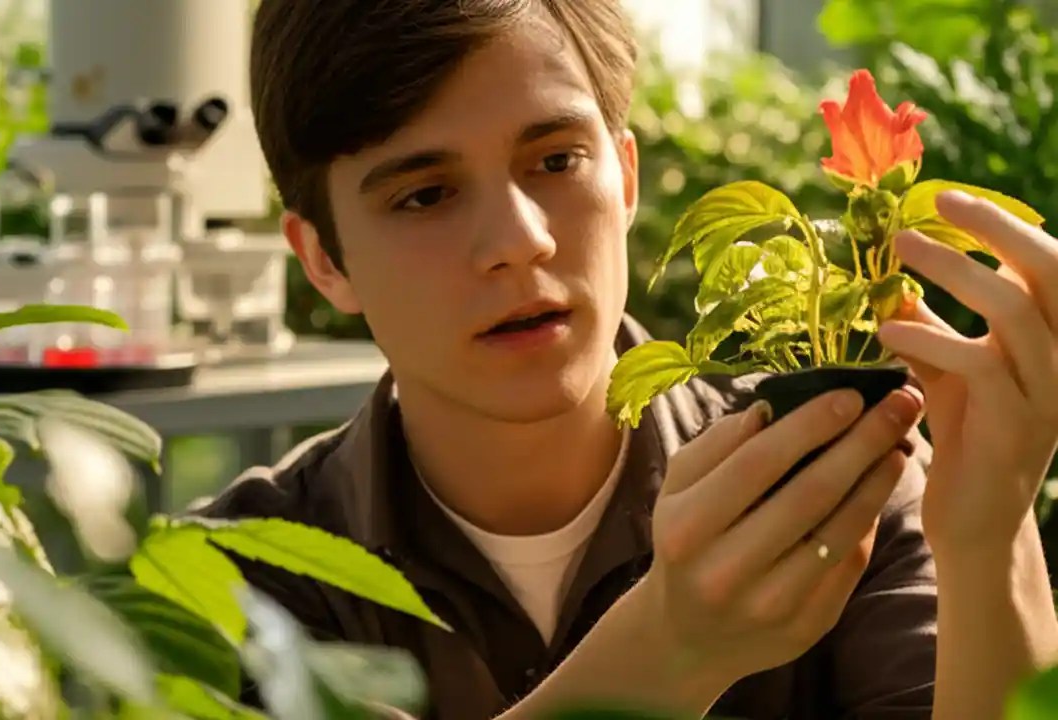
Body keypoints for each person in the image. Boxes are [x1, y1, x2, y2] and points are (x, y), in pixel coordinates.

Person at [190, 1, 1058, 717]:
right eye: (426, 194)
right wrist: (667, 652)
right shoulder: (230, 577)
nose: (519, 241)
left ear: (627, 177)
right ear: (322, 260)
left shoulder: (841, 476)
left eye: (557, 160)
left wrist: (989, 539)